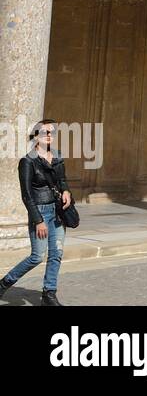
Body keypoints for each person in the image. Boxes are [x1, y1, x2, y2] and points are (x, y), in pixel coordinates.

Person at [0, 119, 72, 306]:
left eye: (52, 133)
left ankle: (49, 294)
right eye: (45, 132)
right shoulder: (28, 161)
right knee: (37, 256)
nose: (49, 136)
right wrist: (38, 220)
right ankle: (4, 283)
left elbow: (62, 180)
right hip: (40, 212)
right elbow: (26, 194)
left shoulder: (57, 156)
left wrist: (66, 191)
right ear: (36, 136)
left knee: (56, 254)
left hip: (57, 212)